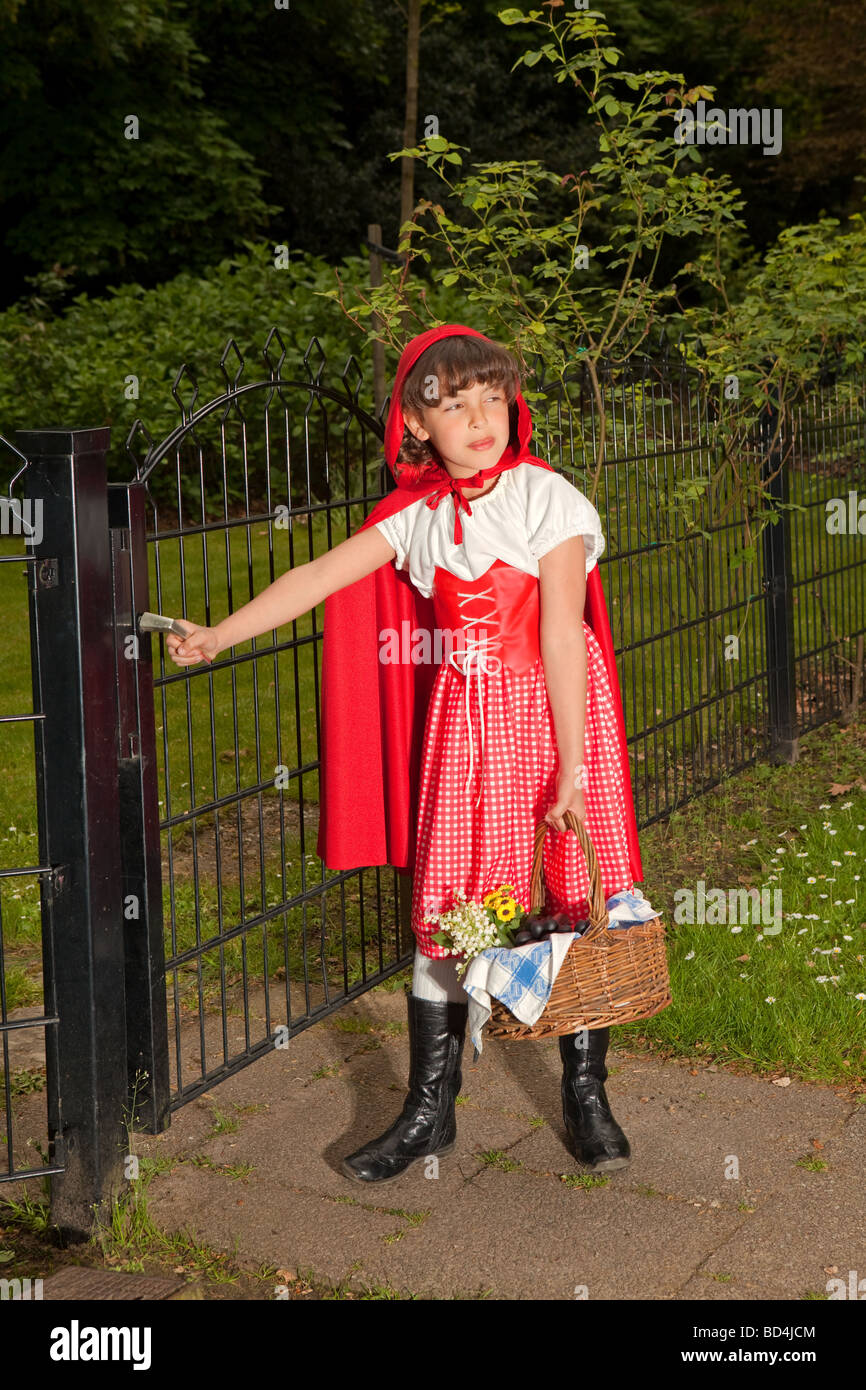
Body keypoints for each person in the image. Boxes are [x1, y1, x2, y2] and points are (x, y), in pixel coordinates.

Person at [166, 323, 643, 1185]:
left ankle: (586, 1094)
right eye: (453, 404)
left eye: (490, 397)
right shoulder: (418, 520)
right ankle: (430, 1113)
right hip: (466, 731)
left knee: (571, 903)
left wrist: (571, 767)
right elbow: (316, 577)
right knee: (454, 910)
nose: (478, 418)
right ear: (416, 423)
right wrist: (217, 635)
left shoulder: (549, 497)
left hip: (557, 722)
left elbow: (565, 637)